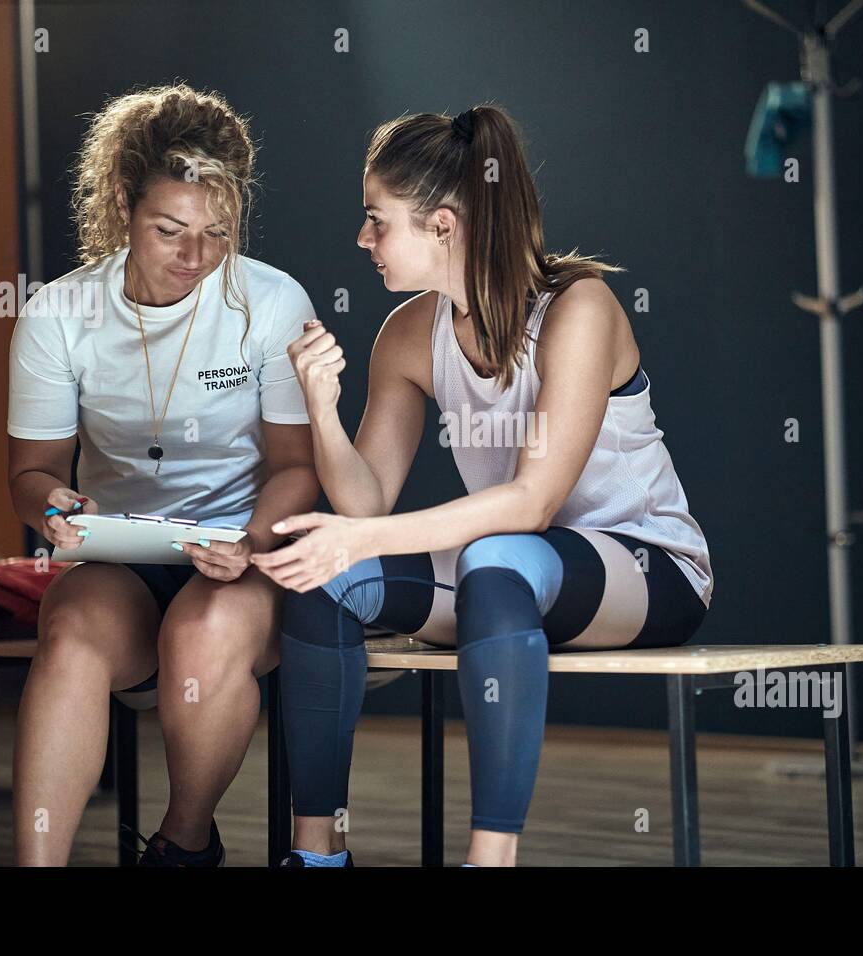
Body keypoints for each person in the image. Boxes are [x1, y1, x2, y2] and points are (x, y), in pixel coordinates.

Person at [250, 104, 713, 867]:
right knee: (328, 581)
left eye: (377, 221)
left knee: (495, 559)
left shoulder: (579, 309)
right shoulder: (406, 334)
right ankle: (318, 852)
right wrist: (323, 413)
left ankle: (489, 859)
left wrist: (361, 537)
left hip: (647, 566)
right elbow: (365, 501)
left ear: (440, 225)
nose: (362, 239)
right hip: (508, 566)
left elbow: (532, 503)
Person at [7, 84, 318, 866]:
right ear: (122, 202)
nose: (195, 257)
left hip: (243, 558)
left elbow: (295, 469)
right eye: (170, 230)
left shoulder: (272, 301)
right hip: (122, 560)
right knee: (71, 633)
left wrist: (249, 541)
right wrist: (54, 504)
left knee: (203, 630)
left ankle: (181, 846)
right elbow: (32, 471)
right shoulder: (58, 314)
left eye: (217, 233)